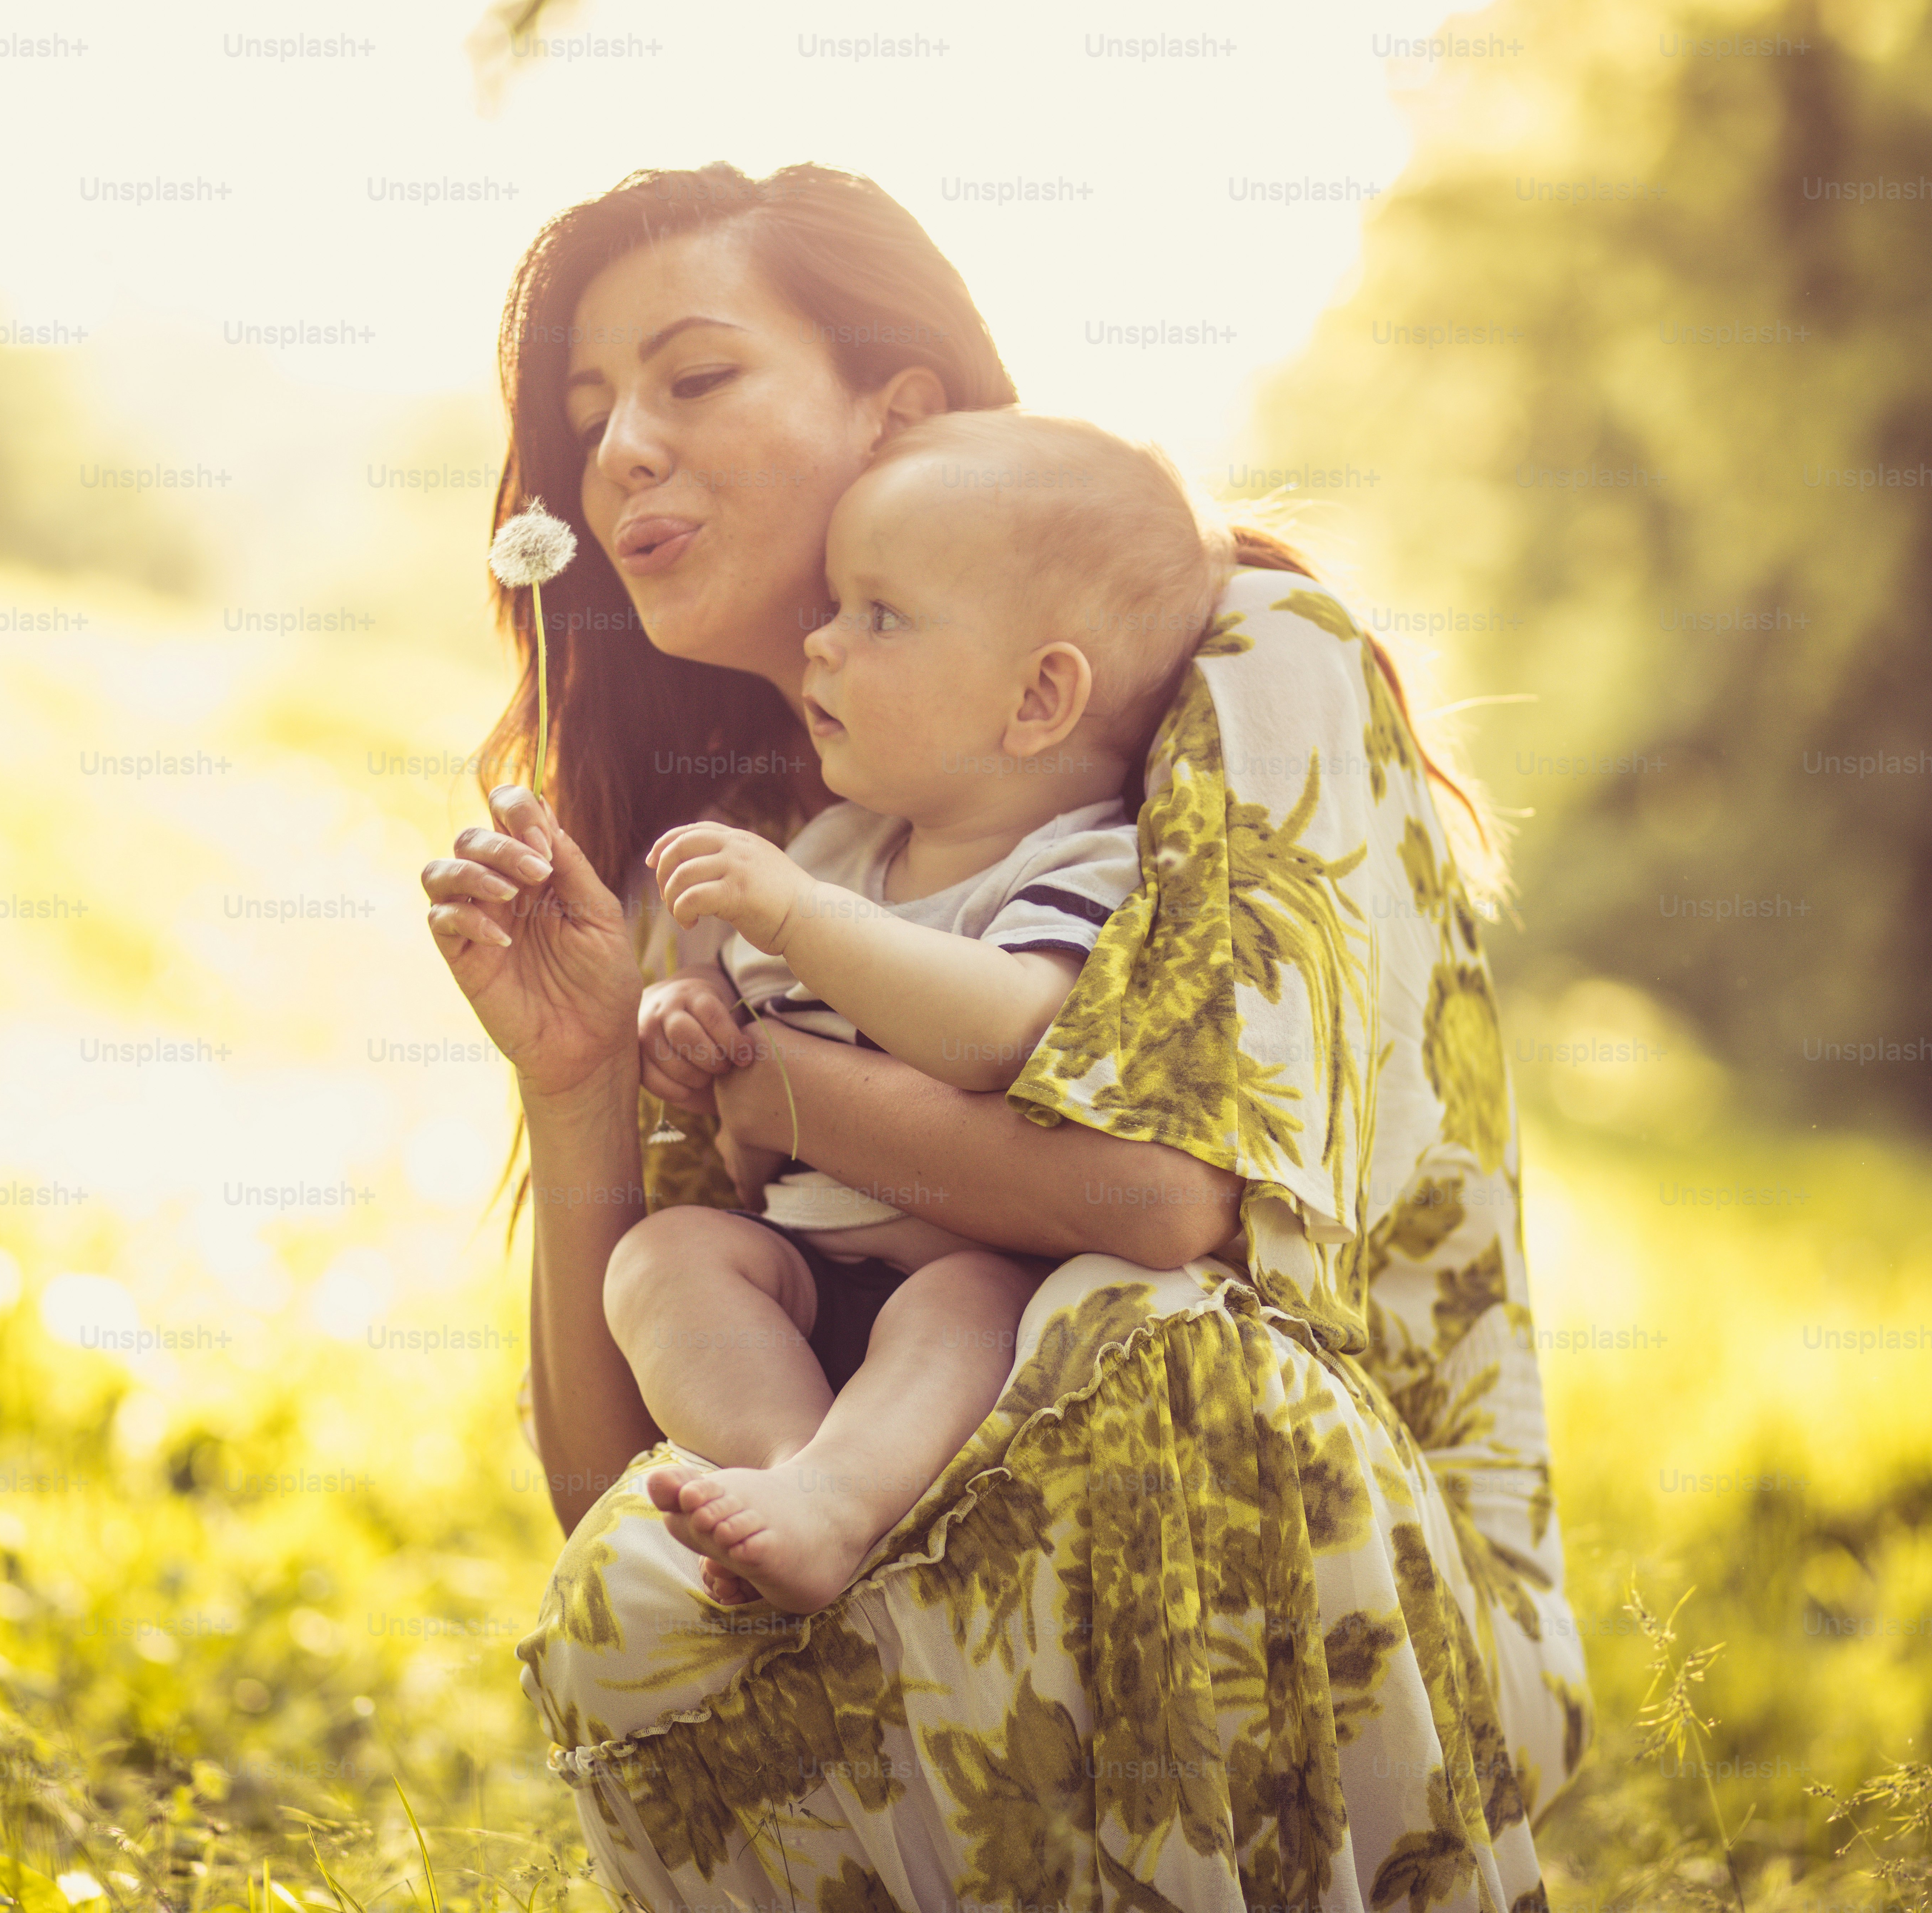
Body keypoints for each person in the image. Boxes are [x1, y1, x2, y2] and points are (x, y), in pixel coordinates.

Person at [420, 161, 1589, 1910]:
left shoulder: (1239, 656)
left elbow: (1159, 1206)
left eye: (697, 376)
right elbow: (611, 1487)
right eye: (590, 416)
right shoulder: (750, 837)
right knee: (644, 1585)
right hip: (935, 1518)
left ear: (903, 408)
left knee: (1129, 1340)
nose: (619, 454)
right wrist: (579, 1074)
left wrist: (771, 1086)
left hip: (1322, 1552)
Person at [609, 412, 1233, 1616]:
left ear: (1039, 698)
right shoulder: (844, 847)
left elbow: (999, 1030)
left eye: (878, 616)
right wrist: (688, 1013)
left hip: (962, 1280)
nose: (822, 646)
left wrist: (794, 912)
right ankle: (792, 1475)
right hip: (801, 1276)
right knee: (666, 1258)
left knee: (965, 1306)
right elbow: (752, 1007)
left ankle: (842, 1505)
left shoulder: (1075, 864)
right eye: (833, 607)